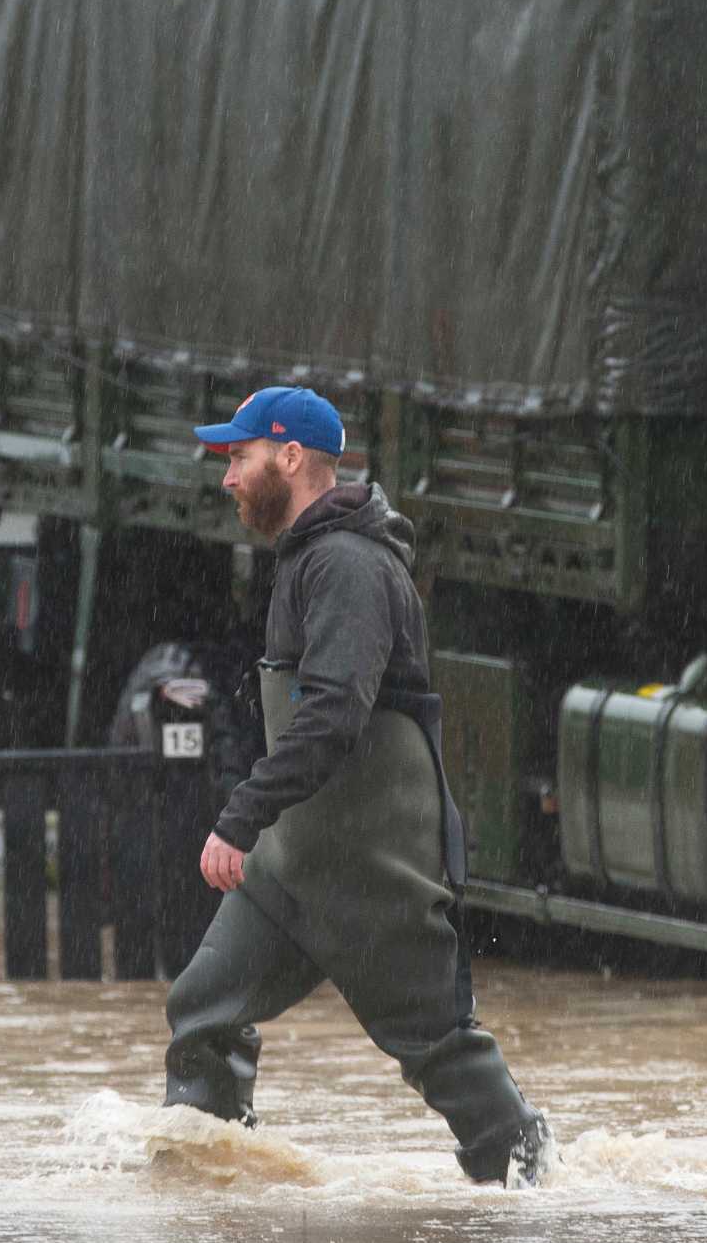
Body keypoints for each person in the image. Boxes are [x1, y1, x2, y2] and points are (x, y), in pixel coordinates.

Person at [160, 385, 553, 1187]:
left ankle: (539, 1201)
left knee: (446, 1058)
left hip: (375, 874)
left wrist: (241, 816)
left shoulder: (347, 565)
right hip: (294, 867)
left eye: (239, 457)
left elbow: (337, 714)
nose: (228, 478)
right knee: (203, 1008)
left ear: (291, 458)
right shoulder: (308, 557)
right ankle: (208, 1199)